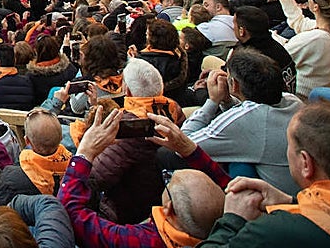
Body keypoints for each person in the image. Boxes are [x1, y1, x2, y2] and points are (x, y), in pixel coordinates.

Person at [200, 101, 330, 247]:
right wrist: (291, 203)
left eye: (288, 146)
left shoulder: (273, 231)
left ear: (306, 163)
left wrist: (233, 219)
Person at [57, 106, 228, 248]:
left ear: (169, 208)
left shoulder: (141, 241)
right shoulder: (232, 228)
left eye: (168, 181)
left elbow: (69, 214)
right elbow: (227, 185)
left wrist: (85, 152)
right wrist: (188, 148)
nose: (167, 178)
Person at [180, 48, 301, 195]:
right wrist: (226, 101)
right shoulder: (292, 100)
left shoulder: (247, 120)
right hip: (297, 189)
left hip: (276, 203)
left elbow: (182, 144)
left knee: (166, 155)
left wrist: (213, 101)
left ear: (235, 85)